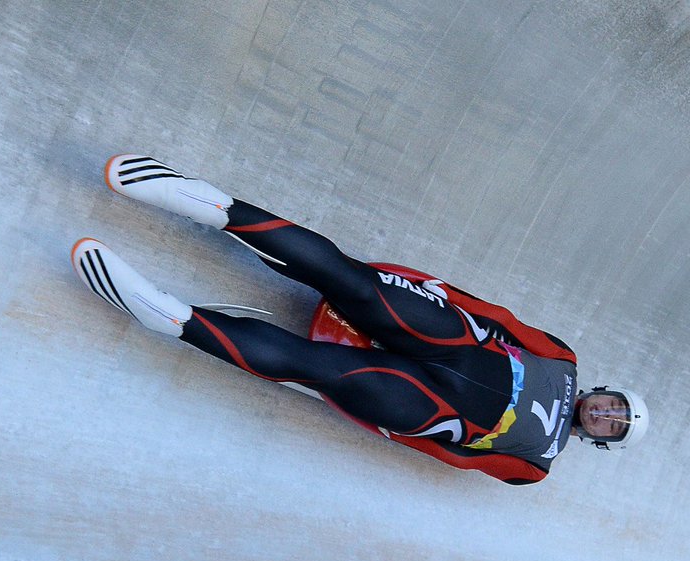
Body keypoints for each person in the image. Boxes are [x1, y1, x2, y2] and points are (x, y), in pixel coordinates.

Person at [71, 154, 649, 484]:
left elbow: (457, 454)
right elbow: (496, 315)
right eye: (615, 405)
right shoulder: (563, 359)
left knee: (311, 366)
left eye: (611, 425)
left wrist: (394, 427)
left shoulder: (534, 468)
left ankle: (170, 318)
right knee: (351, 281)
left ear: (599, 440)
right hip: (455, 342)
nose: (605, 414)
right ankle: (203, 201)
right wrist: (432, 289)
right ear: (606, 391)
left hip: (430, 404)